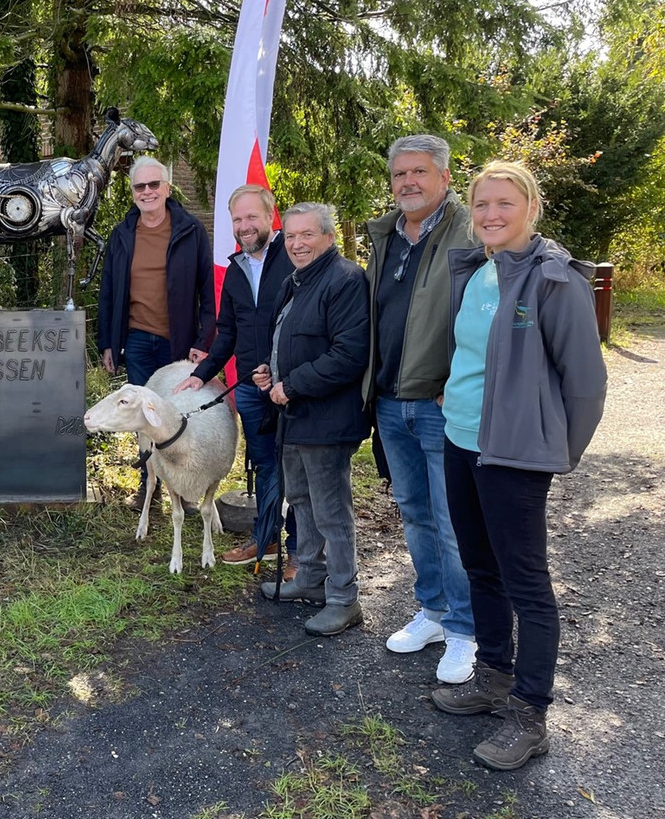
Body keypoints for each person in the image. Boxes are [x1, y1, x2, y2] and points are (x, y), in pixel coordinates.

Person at [430, 161, 606, 770]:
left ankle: (530, 716)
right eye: (482, 204)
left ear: (530, 207)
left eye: (504, 203)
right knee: (481, 567)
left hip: (514, 456)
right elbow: (468, 356)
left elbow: (586, 383)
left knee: (527, 584)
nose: (491, 215)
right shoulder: (476, 270)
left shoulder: (555, 280)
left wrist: (553, 450)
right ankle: (493, 678)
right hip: (459, 440)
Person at [363, 134, 478, 684]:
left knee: (454, 521)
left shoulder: (470, 232)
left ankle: (464, 629)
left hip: (440, 403)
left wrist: (456, 378)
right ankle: (432, 610)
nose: (407, 182)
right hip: (390, 401)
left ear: (444, 177)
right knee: (414, 513)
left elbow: (487, 312)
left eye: (419, 172)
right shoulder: (385, 236)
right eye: (399, 174)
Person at [255, 204, 370, 636]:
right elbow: (288, 342)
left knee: (330, 512)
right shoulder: (295, 282)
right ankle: (309, 577)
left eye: (307, 235)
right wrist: (269, 372)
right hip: (293, 416)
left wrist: (292, 384)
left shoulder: (345, 280)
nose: (297, 244)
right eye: (290, 236)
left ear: (329, 237)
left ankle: (344, 598)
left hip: (327, 419)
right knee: (300, 501)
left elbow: (348, 354)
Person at [174, 184, 298, 578]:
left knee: (295, 468)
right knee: (264, 465)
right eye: (237, 219)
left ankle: (300, 552)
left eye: (251, 217)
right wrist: (200, 375)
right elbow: (226, 333)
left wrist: (279, 372)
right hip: (248, 387)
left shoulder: (293, 257)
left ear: (270, 215)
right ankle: (266, 539)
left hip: (291, 386)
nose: (244, 226)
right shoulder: (235, 270)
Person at [97, 156, 216, 508]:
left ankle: (185, 490)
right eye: (140, 186)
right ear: (133, 192)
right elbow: (108, 291)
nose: (147, 192)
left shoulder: (190, 231)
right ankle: (149, 487)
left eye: (153, 184)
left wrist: (204, 341)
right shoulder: (122, 234)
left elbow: (208, 292)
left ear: (166, 187)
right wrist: (107, 343)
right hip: (136, 341)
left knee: (177, 414)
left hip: (179, 342)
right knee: (143, 416)